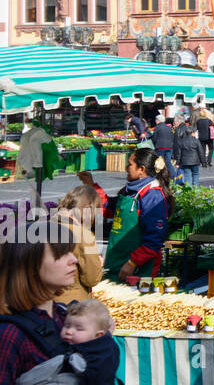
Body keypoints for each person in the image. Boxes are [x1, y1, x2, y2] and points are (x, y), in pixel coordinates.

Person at [0, 238, 80, 385]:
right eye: (62, 254)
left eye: (71, 252)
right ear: (30, 265)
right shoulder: (9, 334)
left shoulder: (64, 316)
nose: (74, 260)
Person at [103, 148, 172, 283]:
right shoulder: (128, 190)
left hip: (138, 270)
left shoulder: (153, 195)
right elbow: (111, 208)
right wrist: (92, 188)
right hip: (116, 262)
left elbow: (154, 239)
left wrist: (133, 263)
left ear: (141, 169)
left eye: (130, 164)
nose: (126, 167)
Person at [58, 299, 119, 385]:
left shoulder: (97, 355)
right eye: (67, 325)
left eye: (79, 329)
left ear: (98, 335)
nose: (69, 331)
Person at [54, 185, 104, 304]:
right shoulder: (84, 236)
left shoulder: (46, 227)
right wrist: (98, 264)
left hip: (47, 302)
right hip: (72, 303)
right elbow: (91, 279)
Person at [173, 115, 203, 189]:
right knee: (195, 174)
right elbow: (200, 151)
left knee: (187, 175)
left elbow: (177, 146)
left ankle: (188, 190)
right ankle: (196, 190)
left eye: (174, 122)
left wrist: (177, 160)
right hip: (194, 159)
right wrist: (203, 162)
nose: (174, 124)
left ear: (178, 121)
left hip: (184, 158)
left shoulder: (178, 130)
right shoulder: (188, 129)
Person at [148, 114, 175, 179]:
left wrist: (154, 145)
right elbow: (172, 137)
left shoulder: (157, 128)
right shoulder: (168, 128)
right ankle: (173, 175)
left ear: (158, 120)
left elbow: (154, 138)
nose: (155, 121)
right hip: (169, 147)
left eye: (156, 120)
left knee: (157, 162)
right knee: (168, 162)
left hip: (160, 147)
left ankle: (156, 176)